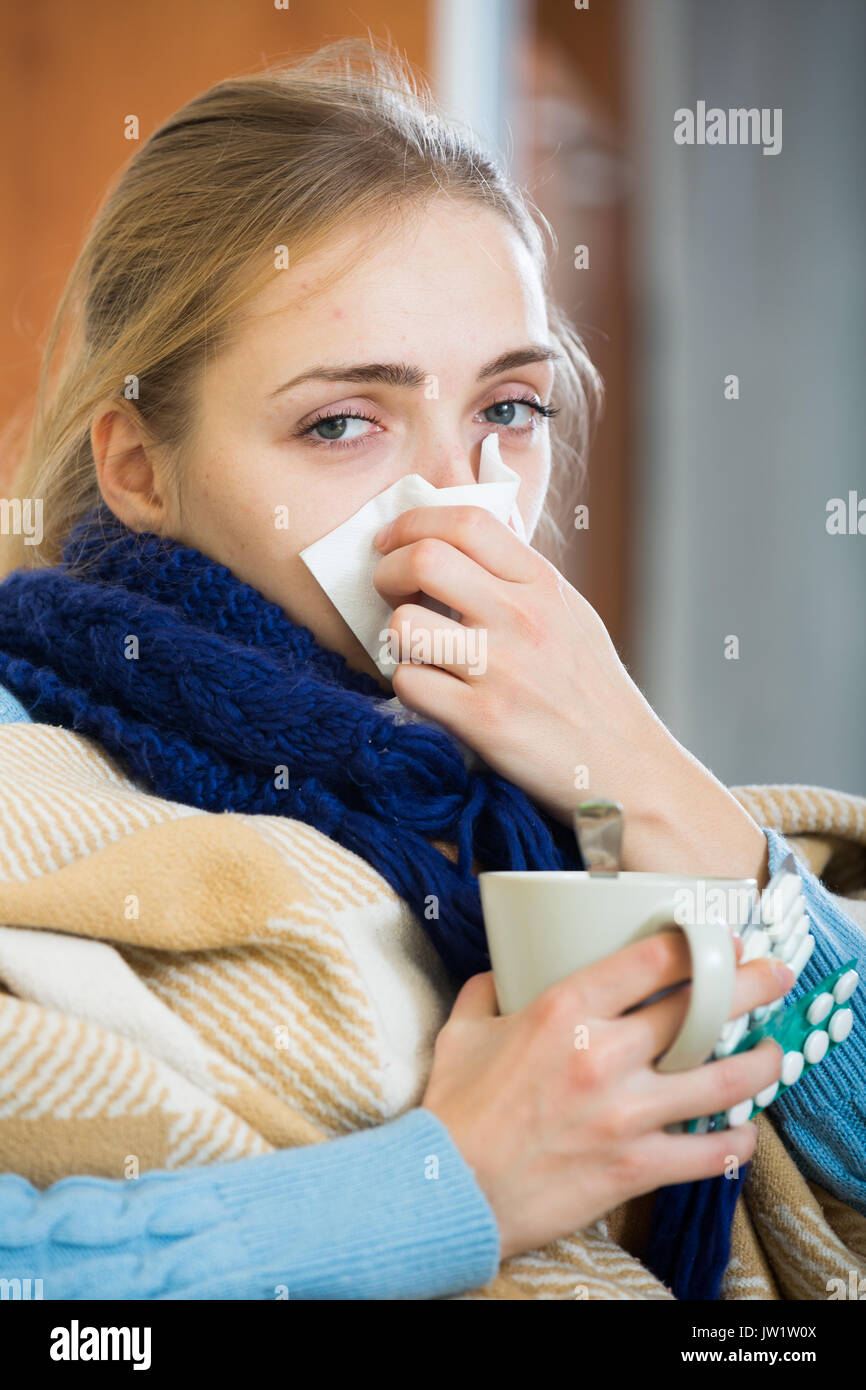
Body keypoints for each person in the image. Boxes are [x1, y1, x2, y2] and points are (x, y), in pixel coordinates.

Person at [0, 39, 861, 1300]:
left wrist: (643, 770)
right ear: (137, 467)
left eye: (505, 410)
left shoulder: (563, 806)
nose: (457, 503)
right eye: (342, 422)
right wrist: (448, 1181)